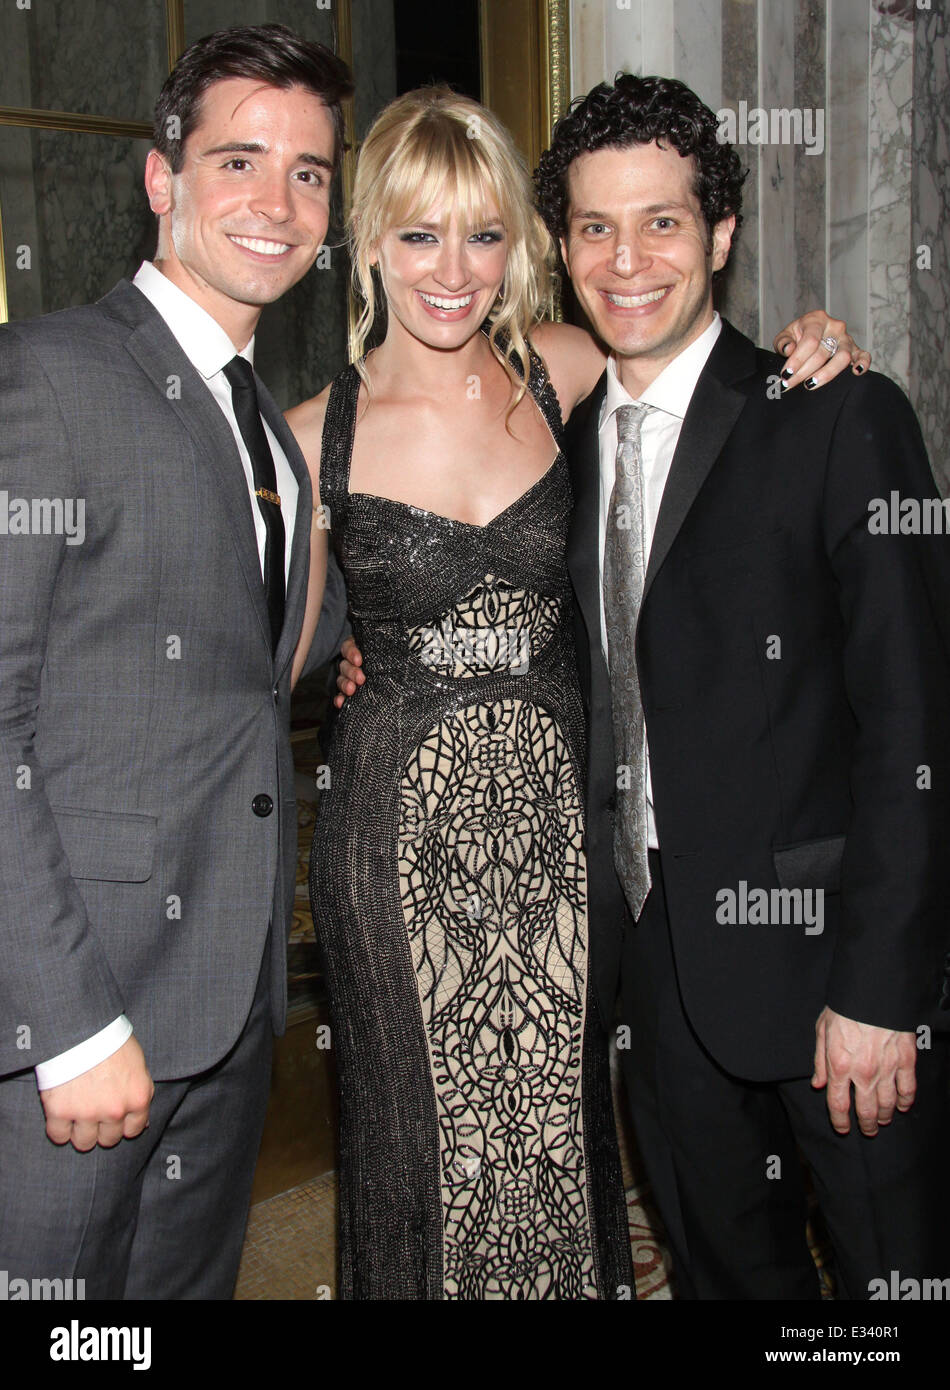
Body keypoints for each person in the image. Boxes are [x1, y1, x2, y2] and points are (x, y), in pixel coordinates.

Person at [292, 85, 865, 1301]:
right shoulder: (306, 441)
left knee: (554, 1140)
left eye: (484, 233)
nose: (453, 269)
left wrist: (812, 344)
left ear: (517, 246)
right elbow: (262, 656)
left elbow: (699, 372)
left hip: (565, 843)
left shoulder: (564, 368)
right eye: (417, 234)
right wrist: (349, 652)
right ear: (367, 243)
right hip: (398, 850)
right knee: (420, 1151)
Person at [531, 72, 950, 1299]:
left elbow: (914, 720)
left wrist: (879, 990)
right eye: (595, 227)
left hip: (834, 984)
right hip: (657, 982)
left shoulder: (830, 412)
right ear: (562, 246)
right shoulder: (555, 452)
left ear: (717, 234)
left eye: (660, 221)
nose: (626, 260)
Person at [0, 24, 351, 1299]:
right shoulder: (47, 378)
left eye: (309, 173)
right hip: (79, 1019)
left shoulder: (268, 421)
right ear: (162, 179)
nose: (276, 203)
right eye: (239, 161)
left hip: (224, 1003)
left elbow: (253, 670)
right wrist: (69, 1027)